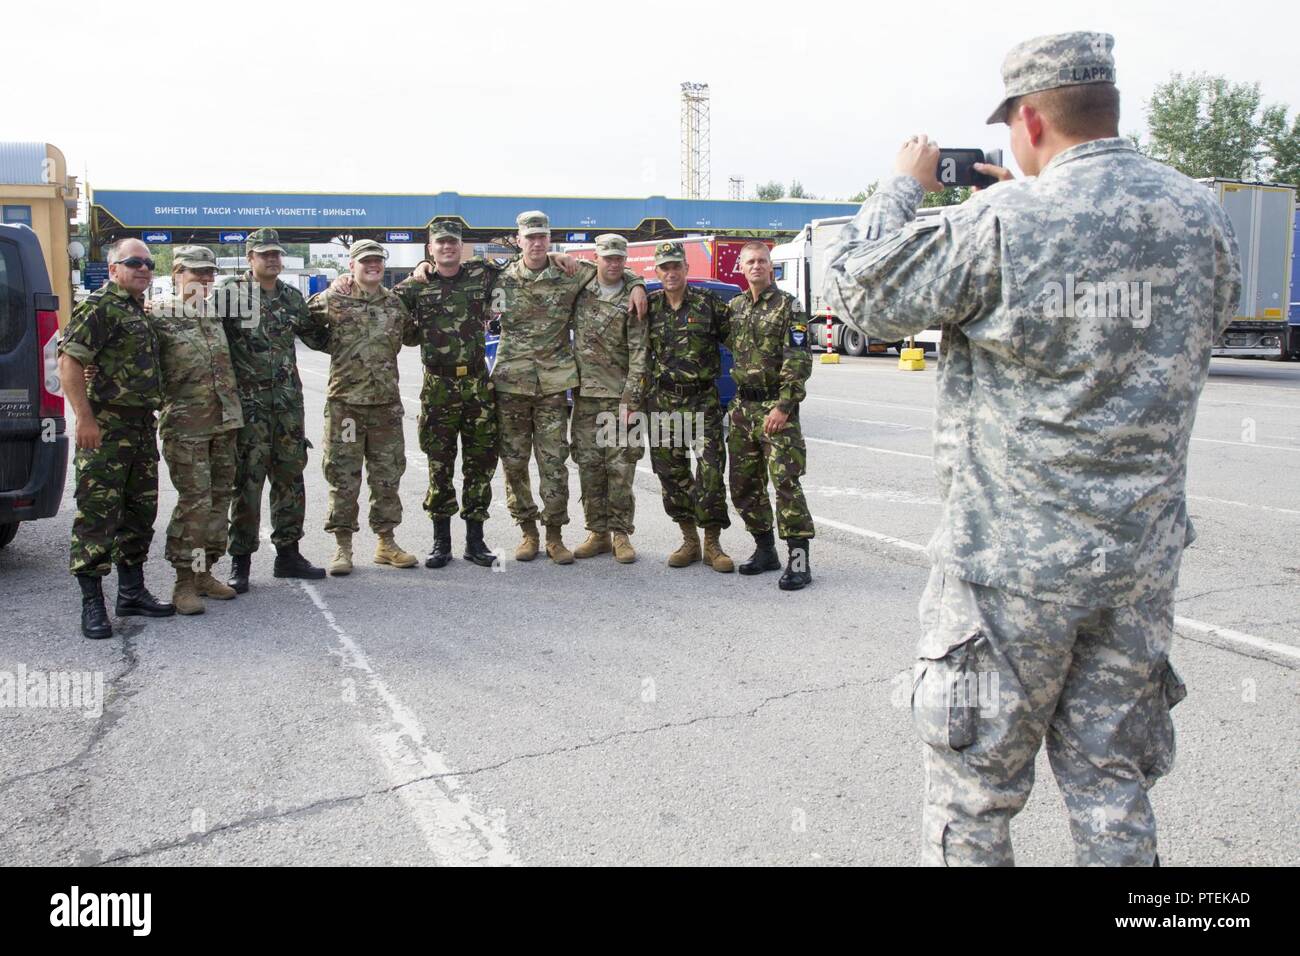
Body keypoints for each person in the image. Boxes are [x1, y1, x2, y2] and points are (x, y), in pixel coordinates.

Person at [823, 31, 1242, 866]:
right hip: (1136, 567)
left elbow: (860, 291)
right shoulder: (1201, 215)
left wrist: (901, 189)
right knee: (1113, 784)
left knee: (974, 800)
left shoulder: (1001, 221)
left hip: (1008, 575)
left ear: (1031, 121)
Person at [487, 211, 645, 564]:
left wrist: (637, 284)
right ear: (518, 239)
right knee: (514, 464)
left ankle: (555, 535)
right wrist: (423, 267)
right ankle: (528, 531)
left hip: (553, 387)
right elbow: (460, 288)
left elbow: (612, 271)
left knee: (554, 463)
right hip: (511, 385)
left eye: (543, 236)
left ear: (549, 237)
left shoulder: (568, 274)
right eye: (530, 237)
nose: (537, 242)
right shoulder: (500, 280)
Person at [58, 238, 174, 638]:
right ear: (113, 270)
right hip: (105, 428)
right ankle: (93, 603)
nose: (143, 268)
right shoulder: (99, 307)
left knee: (139, 511)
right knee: (97, 515)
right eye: (133, 262)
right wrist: (84, 418)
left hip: (140, 426)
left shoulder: (137, 310)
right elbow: (69, 361)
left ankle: (132, 591)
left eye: (147, 263)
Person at [224, 228, 331, 591]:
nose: (272, 259)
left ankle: (288, 554)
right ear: (250, 257)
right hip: (249, 408)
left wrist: (356, 325)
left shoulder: (291, 297)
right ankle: (240, 562)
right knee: (247, 482)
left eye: (276, 254)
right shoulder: (230, 295)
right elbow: (206, 338)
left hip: (287, 406)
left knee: (290, 479)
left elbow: (317, 337)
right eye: (264, 253)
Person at [307, 239, 418, 573]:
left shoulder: (395, 304)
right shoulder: (332, 298)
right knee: (343, 476)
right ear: (351, 265)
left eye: (377, 261)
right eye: (365, 261)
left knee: (387, 476)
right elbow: (305, 326)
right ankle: (343, 547)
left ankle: (386, 542)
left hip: (385, 405)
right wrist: (336, 347)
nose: (373, 266)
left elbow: (409, 337)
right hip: (347, 407)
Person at [151, 246, 244, 613]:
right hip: (187, 426)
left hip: (224, 422)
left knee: (220, 498)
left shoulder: (214, 312)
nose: (204, 279)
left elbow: (253, 282)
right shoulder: (159, 314)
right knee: (195, 502)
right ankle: (184, 582)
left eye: (209, 273)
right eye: (196, 273)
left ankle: (205, 571)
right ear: (177, 273)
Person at [725, 241, 814, 589]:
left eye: (762, 260)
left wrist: (783, 407)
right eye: (750, 261)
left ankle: (799, 561)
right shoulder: (735, 307)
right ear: (741, 267)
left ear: (771, 267)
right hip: (742, 409)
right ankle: (765, 550)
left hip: (777, 409)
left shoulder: (789, 307)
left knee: (786, 483)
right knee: (744, 485)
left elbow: (799, 359)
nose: (757, 266)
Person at [644, 242, 733, 572]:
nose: (671, 272)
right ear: (657, 271)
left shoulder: (708, 304)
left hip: (702, 402)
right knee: (670, 473)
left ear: (685, 269)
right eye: (664, 267)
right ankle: (689, 540)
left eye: (676, 266)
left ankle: (712, 543)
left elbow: (739, 340)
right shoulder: (650, 306)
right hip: (664, 402)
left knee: (710, 472)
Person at [570, 234, 648, 563]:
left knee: (621, 469)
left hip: (621, 399)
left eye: (619, 258)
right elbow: (558, 264)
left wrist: (631, 400)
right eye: (608, 258)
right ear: (597, 258)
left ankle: (621, 534)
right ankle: (597, 533)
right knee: (589, 467)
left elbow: (640, 352)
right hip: (586, 397)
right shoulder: (581, 287)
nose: (613, 264)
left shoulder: (633, 298)